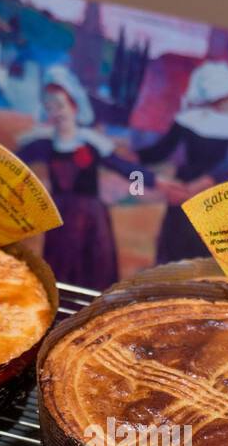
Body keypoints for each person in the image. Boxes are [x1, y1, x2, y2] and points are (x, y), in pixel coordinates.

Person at [17, 65, 156, 291]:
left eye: (61, 105)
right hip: (60, 217)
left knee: (93, 273)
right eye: (50, 107)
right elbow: (12, 163)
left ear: (73, 105)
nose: (57, 112)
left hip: (92, 217)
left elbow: (125, 168)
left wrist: (157, 182)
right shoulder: (44, 143)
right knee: (59, 272)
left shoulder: (92, 142)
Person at [136, 60, 228, 263]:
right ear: (222, 98)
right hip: (199, 190)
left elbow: (158, 152)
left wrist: (135, 155)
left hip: (200, 188)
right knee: (185, 244)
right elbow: (160, 152)